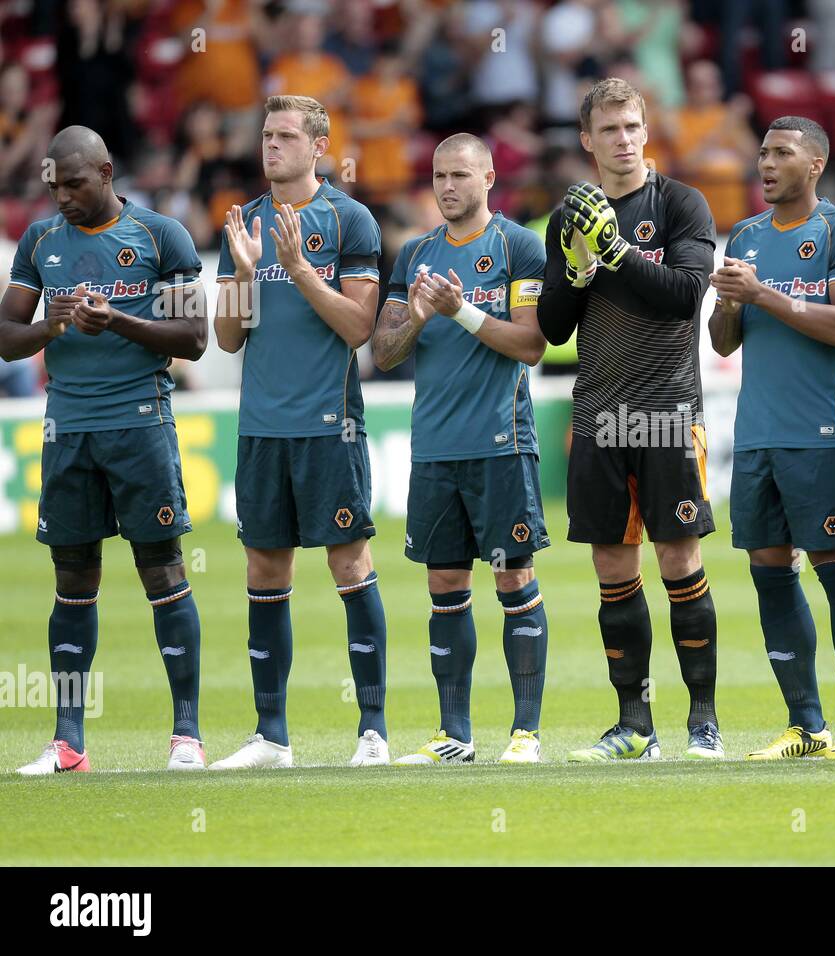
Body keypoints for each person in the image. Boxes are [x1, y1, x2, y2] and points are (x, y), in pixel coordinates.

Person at [2, 126, 208, 774]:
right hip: (68, 425)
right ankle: (68, 743)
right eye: (55, 187)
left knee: (163, 572)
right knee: (72, 583)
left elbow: (195, 337)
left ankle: (186, 737)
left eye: (75, 184)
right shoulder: (39, 241)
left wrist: (116, 318)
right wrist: (51, 325)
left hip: (139, 420)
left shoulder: (159, 235)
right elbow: (7, 338)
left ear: (107, 171)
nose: (63, 197)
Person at [537, 78, 722, 761]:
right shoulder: (566, 220)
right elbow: (553, 326)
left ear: (647, 130)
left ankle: (702, 720)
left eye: (631, 126)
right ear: (587, 139)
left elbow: (684, 297)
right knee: (613, 569)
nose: (622, 139)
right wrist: (580, 269)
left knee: (680, 560)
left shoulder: (680, 204)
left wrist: (614, 250)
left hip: (670, 410)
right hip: (598, 415)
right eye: (608, 129)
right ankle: (633, 725)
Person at [210, 95, 387, 770]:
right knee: (263, 567)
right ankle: (271, 736)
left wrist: (303, 270)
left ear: (320, 146)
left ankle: (372, 730)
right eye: (267, 134)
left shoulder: (349, 219)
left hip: (327, 426)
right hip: (261, 426)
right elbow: (227, 339)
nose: (272, 145)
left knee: (349, 563)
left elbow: (359, 328)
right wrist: (245, 276)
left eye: (287, 135)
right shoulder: (245, 220)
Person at [372, 133, 551, 765]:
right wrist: (420, 316)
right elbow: (383, 353)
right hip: (435, 448)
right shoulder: (416, 253)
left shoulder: (518, 247)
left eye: (460, 175)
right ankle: (455, 735)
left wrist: (462, 312)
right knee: (444, 582)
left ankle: (524, 734)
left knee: (514, 577)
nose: (447, 186)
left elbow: (532, 345)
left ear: (489, 179)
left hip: (501, 444)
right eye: (439, 175)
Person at [709, 116, 835, 760]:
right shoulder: (747, 235)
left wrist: (763, 293)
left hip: (822, 435)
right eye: (762, 153)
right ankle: (804, 725)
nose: (766, 163)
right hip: (756, 438)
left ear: (816, 164)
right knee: (770, 574)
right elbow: (725, 341)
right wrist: (729, 304)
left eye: (782, 153)